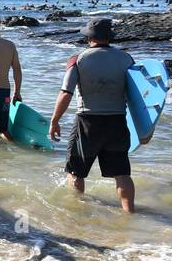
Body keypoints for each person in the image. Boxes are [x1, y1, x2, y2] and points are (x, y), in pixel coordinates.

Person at [49, 18, 137, 212]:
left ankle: (77, 213)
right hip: (117, 122)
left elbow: (66, 93)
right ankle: (130, 213)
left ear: (88, 37)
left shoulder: (78, 60)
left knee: (75, 172)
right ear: (109, 37)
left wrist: (54, 121)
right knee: (122, 173)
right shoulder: (127, 59)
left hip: (87, 123)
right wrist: (144, 129)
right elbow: (138, 97)